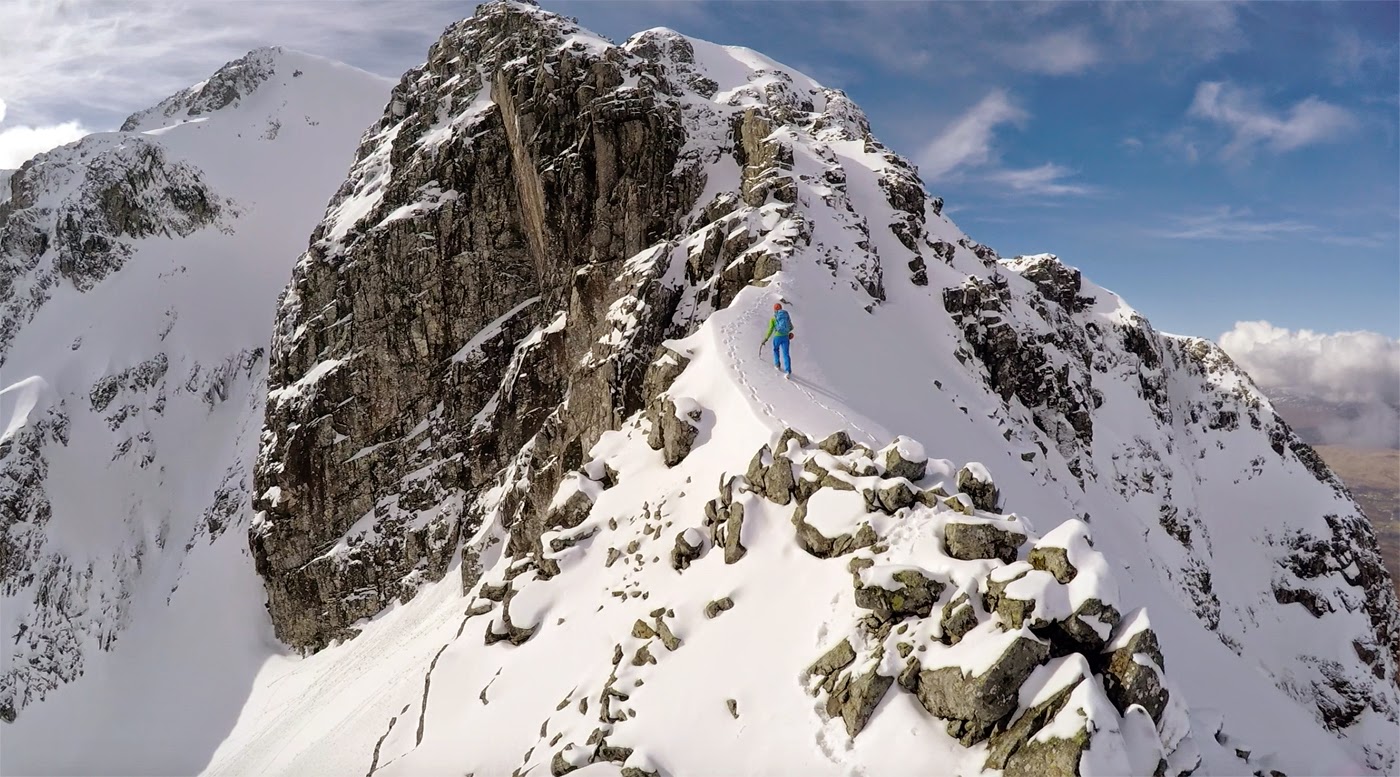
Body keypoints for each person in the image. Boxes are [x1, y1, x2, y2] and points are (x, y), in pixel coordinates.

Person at [761, 302, 794, 378]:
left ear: (774, 310)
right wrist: (787, 333)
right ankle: (788, 371)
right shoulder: (785, 315)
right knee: (786, 354)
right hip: (786, 337)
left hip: (777, 336)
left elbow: (770, 330)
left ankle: (777, 364)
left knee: (776, 349)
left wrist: (766, 339)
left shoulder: (773, 319)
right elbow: (791, 327)